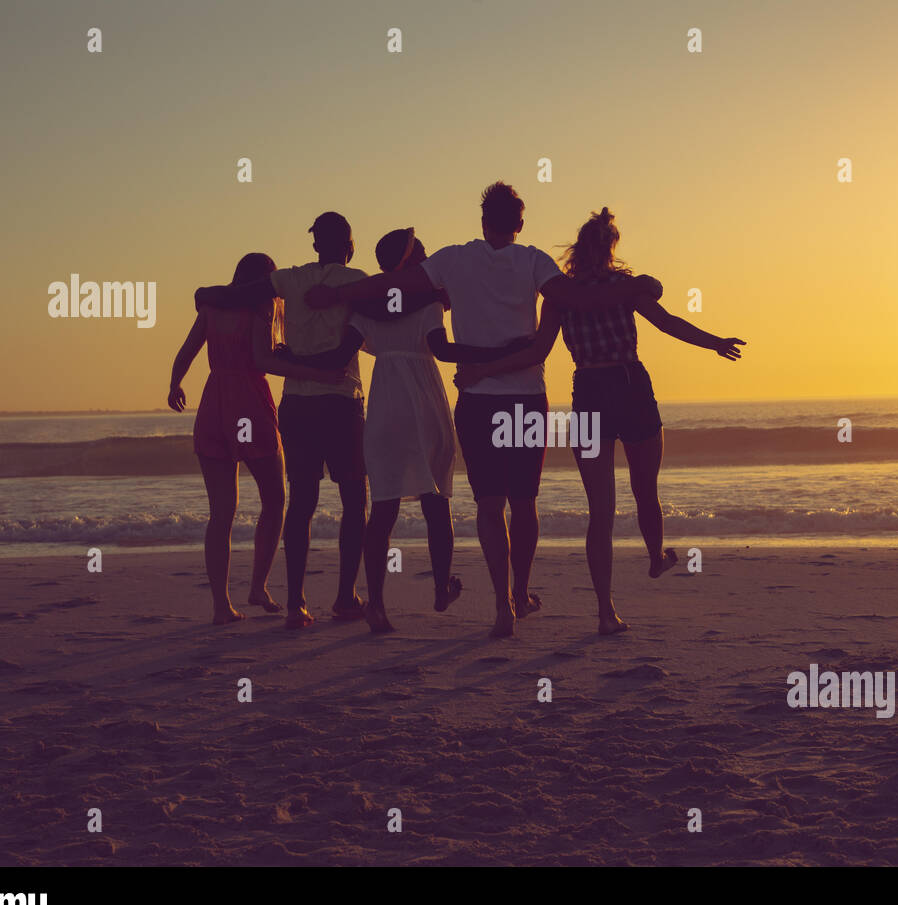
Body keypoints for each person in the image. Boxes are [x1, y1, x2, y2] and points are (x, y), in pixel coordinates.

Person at [304, 183, 664, 638]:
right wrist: (635, 286)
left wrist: (335, 296)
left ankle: (501, 608)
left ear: (482, 221)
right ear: (520, 224)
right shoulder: (534, 260)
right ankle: (520, 592)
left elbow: (393, 282)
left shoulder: (454, 259)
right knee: (524, 503)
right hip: (525, 396)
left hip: (476, 402)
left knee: (489, 505)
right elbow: (578, 299)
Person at [455, 207, 745, 635]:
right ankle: (654, 557)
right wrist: (714, 342)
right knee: (646, 491)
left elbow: (536, 353)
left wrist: (483, 370)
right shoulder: (624, 288)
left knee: (601, 512)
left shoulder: (561, 297)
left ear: (578, 249)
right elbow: (668, 324)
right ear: (610, 248)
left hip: (589, 391)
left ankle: (606, 611)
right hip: (630, 385)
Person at [288, 228, 533, 633]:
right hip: (423, 403)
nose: (425, 259)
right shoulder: (429, 305)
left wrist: (293, 358)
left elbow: (337, 356)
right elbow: (445, 352)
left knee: (382, 508)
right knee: (435, 500)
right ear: (408, 263)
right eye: (419, 253)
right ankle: (441, 587)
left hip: (384, 407)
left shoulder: (365, 309)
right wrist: (496, 354)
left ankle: (378, 606)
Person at [195, 213, 373, 629]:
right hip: (342, 401)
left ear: (314, 246)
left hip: (298, 404)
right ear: (350, 246)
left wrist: (204, 291)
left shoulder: (288, 280)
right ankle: (345, 597)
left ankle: (297, 604)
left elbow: (238, 294)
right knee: (353, 501)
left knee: (301, 502)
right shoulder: (358, 278)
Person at [168, 252, 341, 625]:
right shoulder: (261, 309)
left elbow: (187, 351)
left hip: (214, 405)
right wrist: (310, 371)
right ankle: (257, 586)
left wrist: (175, 384)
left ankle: (220, 606)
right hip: (249, 405)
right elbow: (265, 361)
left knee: (221, 512)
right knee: (275, 500)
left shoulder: (212, 308)